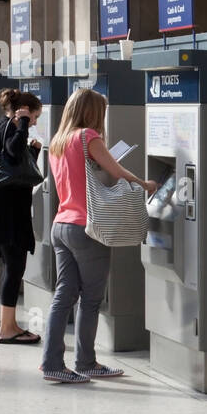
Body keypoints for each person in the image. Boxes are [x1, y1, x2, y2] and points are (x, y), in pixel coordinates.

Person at [40, 87, 156, 383]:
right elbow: (116, 171)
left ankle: (52, 362)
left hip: (61, 225)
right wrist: (145, 183)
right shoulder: (87, 138)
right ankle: (86, 362)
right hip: (87, 228)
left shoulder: (57, 141)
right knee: (91, 299)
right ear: (94, 112)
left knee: (64, 295)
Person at [0, 88, 44, 345]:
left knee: (12, 266)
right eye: (35, 116)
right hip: (5, 208)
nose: (36, 121)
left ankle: (10, 324)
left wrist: (34, 152)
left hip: (1, 206)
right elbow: (13, 152)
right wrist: (24, 124)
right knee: (14, 266)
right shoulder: (11, 126)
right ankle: (6, 329)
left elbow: (13, 165)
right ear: (24, 112)